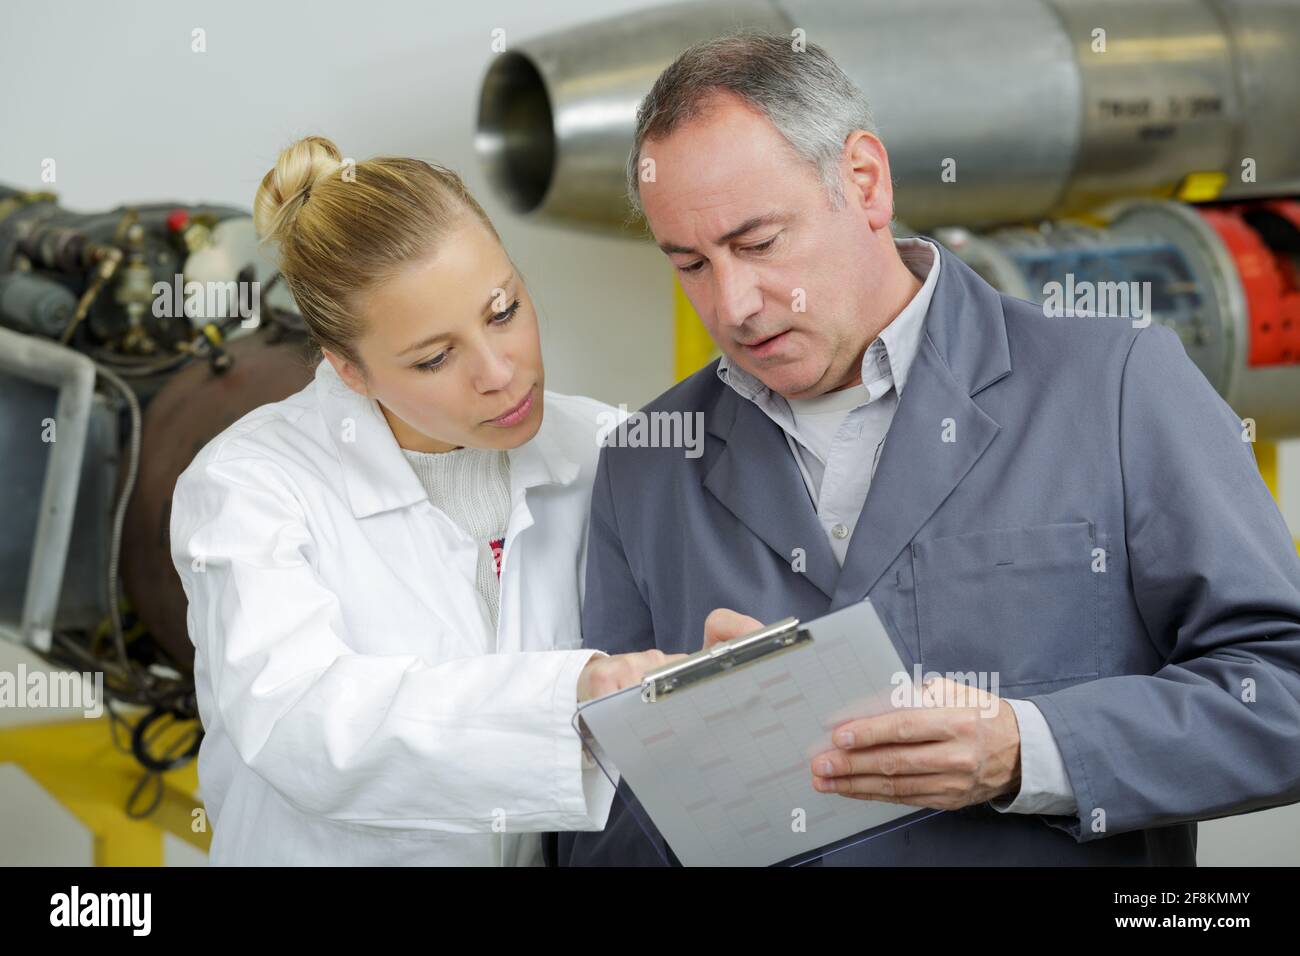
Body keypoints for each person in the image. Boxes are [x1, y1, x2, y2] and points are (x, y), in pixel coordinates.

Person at [557, 33, 1300, 866]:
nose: (733, 306)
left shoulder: (1117, 382)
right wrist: (694, 744)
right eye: (690, 263)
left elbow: (1285, 691)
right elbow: (594, 820)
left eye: (759, 244)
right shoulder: (645, 464)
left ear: (864, 182)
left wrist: (1030, 749)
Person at [170, 135, 677, 865]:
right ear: (350, 371)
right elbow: (303, 724)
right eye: (435, 358)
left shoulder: (605, 448)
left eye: (503, 310)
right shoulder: (250, 487)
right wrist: (578, 692)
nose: (500, 372)